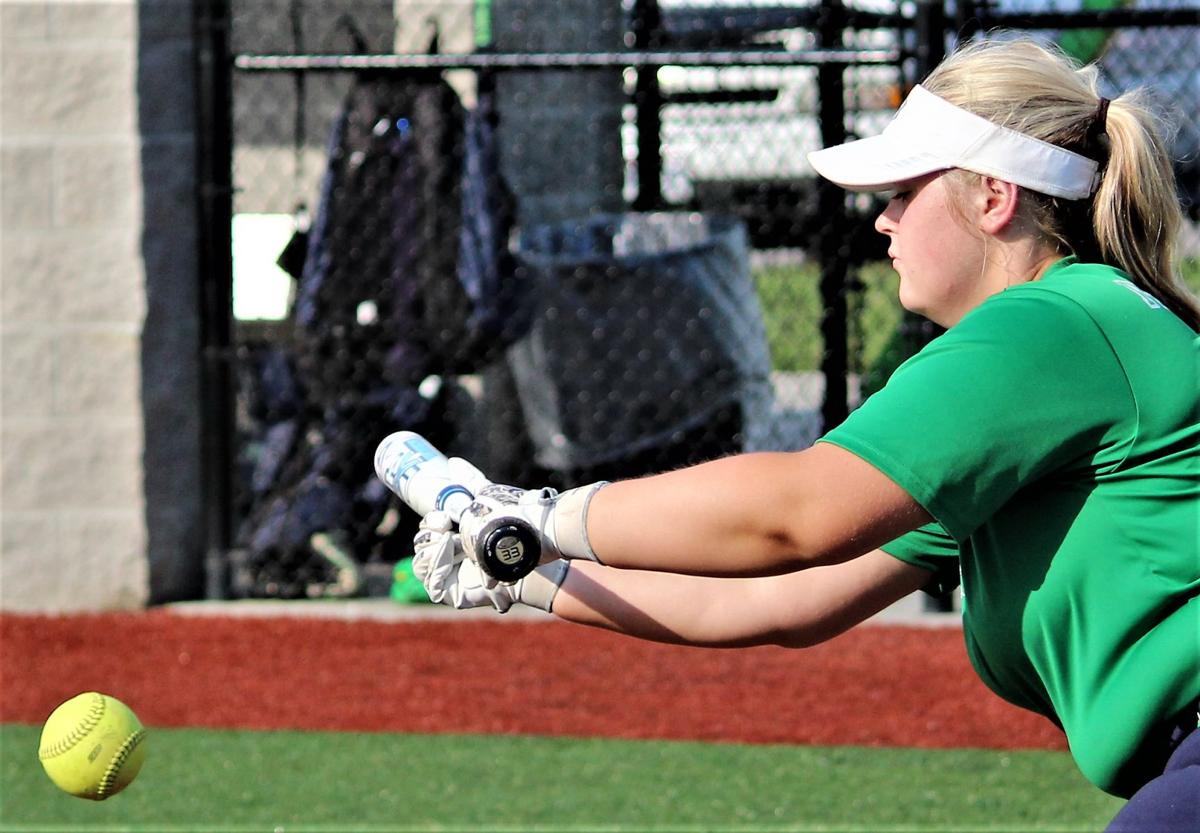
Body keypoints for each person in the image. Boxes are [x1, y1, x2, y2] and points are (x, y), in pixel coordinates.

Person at [400, 38, 1199, 832]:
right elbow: (782, 599)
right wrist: (525, 568)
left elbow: (796, 513)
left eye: (903, 190)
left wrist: (540, 513)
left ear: (994, 196)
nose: (881, 220)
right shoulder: (1070, 330)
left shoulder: (1048, 325)